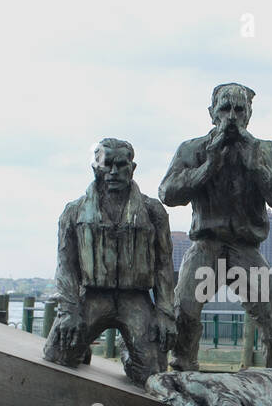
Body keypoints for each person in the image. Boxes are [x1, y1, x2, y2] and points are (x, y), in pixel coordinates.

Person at [159, 82, 272, 371]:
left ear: (249, 115)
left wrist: (257, 168)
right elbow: (168, 194)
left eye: (239, 110)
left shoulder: (265, 150)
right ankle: (182, 371)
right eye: (224, 109)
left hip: (245, 249)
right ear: (212, 113)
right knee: (184, 310)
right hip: (206, 245)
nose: (231, 117)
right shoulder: (193, 149)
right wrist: (207, 168)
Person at [43, 138, 175, 385]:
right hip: (92, 297)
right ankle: (82, 348)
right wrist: (69, 310)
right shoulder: (73, 212)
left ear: (132, 168)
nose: (114, 171)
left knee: (152, 372)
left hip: (136, 299)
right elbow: (66, 265)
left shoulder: (153, 211)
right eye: (107, 164)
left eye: (121, 165)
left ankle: (128, 351)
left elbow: (164, 265)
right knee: (58, 354)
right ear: (95, 167)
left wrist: (165, 313)